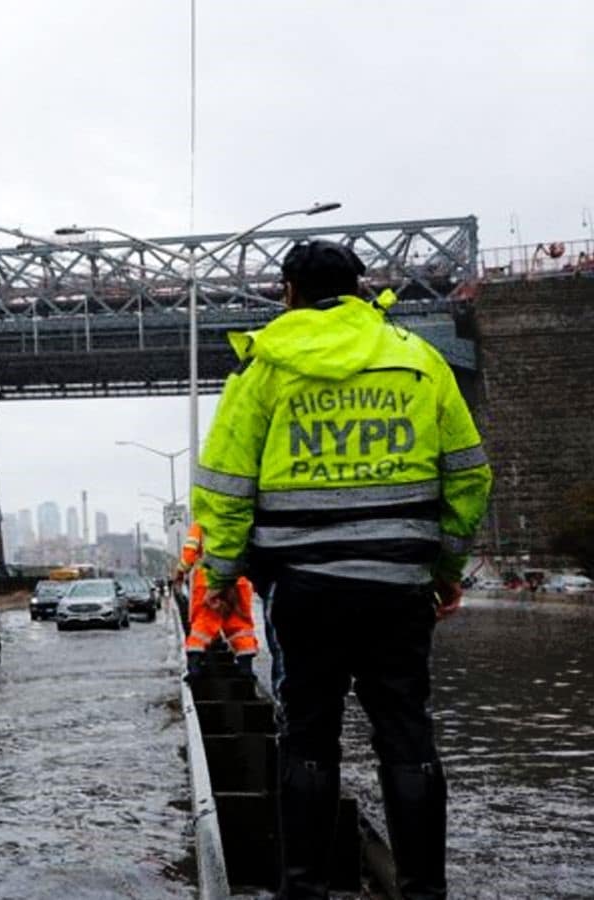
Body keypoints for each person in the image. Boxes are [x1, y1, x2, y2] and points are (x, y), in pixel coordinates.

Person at [191, 239, 493, 900]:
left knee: (307, 738)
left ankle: (304, 891)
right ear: (361, 290)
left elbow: (225, 487)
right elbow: (469, 475)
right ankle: (424, 892)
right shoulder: (419, 361)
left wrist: (222, 572)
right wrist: (446, 566)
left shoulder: (265, 368)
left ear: (288, 293)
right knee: (407, 736)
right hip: (398, 588)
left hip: (304, 591)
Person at [173, 520, 258, 678]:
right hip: (238, 579)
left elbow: (190, 551)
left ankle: (194, 668)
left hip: (208, 579)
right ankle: (246, 669)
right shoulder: (240, 519)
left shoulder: (203, 522)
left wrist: (180, 571)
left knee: (203, 622)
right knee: (240, 625)